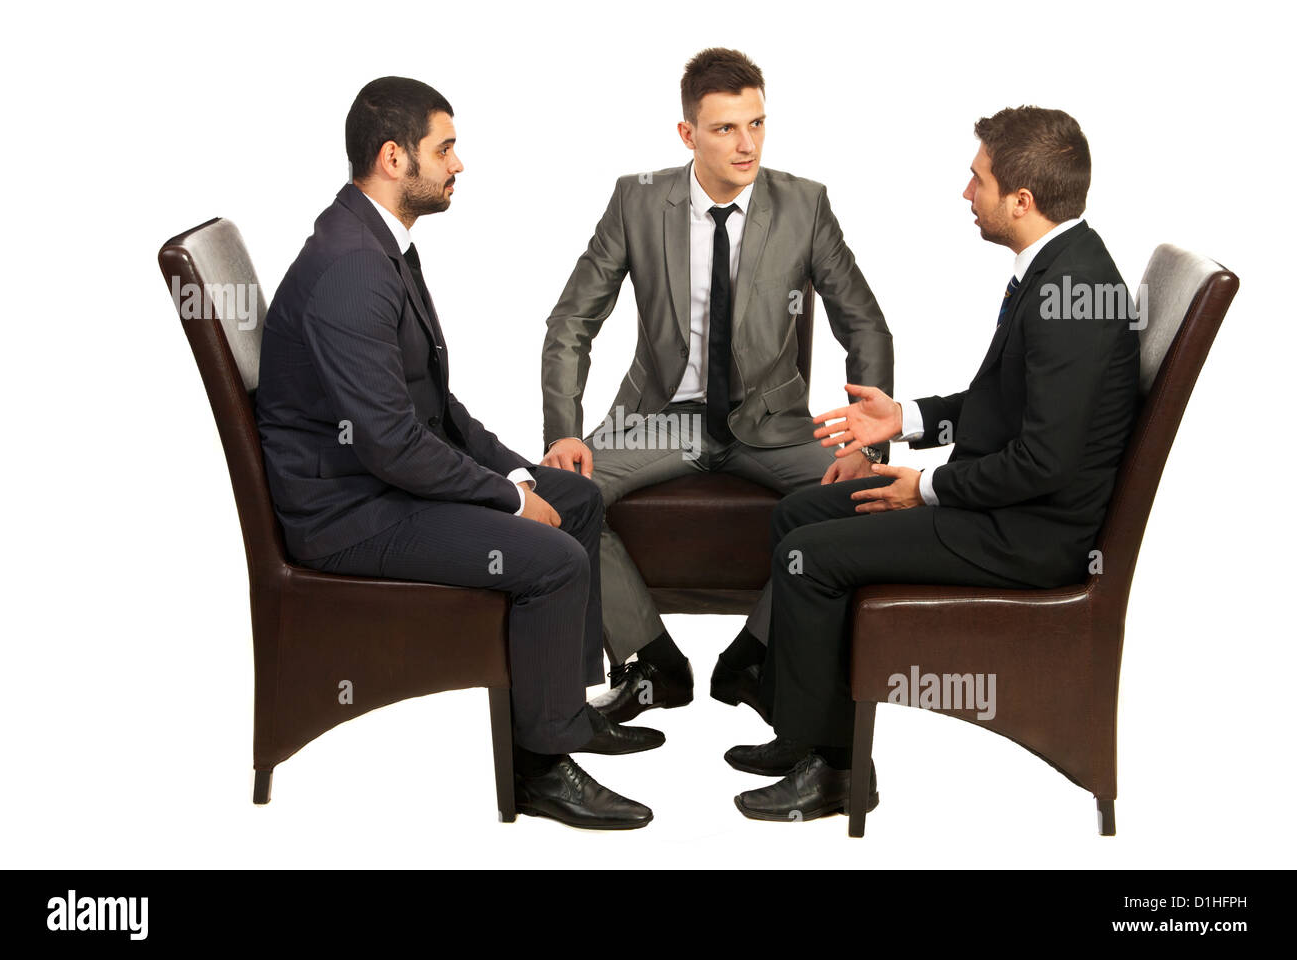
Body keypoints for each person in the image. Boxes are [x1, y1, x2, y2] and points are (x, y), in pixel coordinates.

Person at [255, 77, 662, 831]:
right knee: (554, 559)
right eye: (444, 149)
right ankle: (540, 769)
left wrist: (519, 470)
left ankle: (561, 712)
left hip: (377, 480)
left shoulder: (379, 242)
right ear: (392, 156)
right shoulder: (351, 267)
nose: (458, 165)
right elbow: (389, 442)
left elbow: (432, 406)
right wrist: (509, 501)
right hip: (350, 514)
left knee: (574, 498)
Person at [730, 106, 1141, 822]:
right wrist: (905, 419)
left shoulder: (1073, 297)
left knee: (812, 556)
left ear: (1022, 199)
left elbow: (1043, 461)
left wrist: (926, 488)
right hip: (1007, 507)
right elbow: (1001, 404)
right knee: (798, 513)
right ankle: (805, 729)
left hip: (1028, 535)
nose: (965, 193)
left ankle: (835, 770)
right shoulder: (1055, 269)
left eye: (977, 179)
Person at [540, 48, 893, 725]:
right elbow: (570, 322)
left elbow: (866, 327)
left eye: (757, 124)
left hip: (773, 421)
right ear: (687, 136)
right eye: (726, 129)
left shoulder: (804, 204)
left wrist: (867, 444)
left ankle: (756, 654)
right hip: (662, 418)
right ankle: (649, 658)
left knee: (868, 499)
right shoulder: (638, 200)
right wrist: (563, 430)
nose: (747, 144)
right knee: (558, 495)